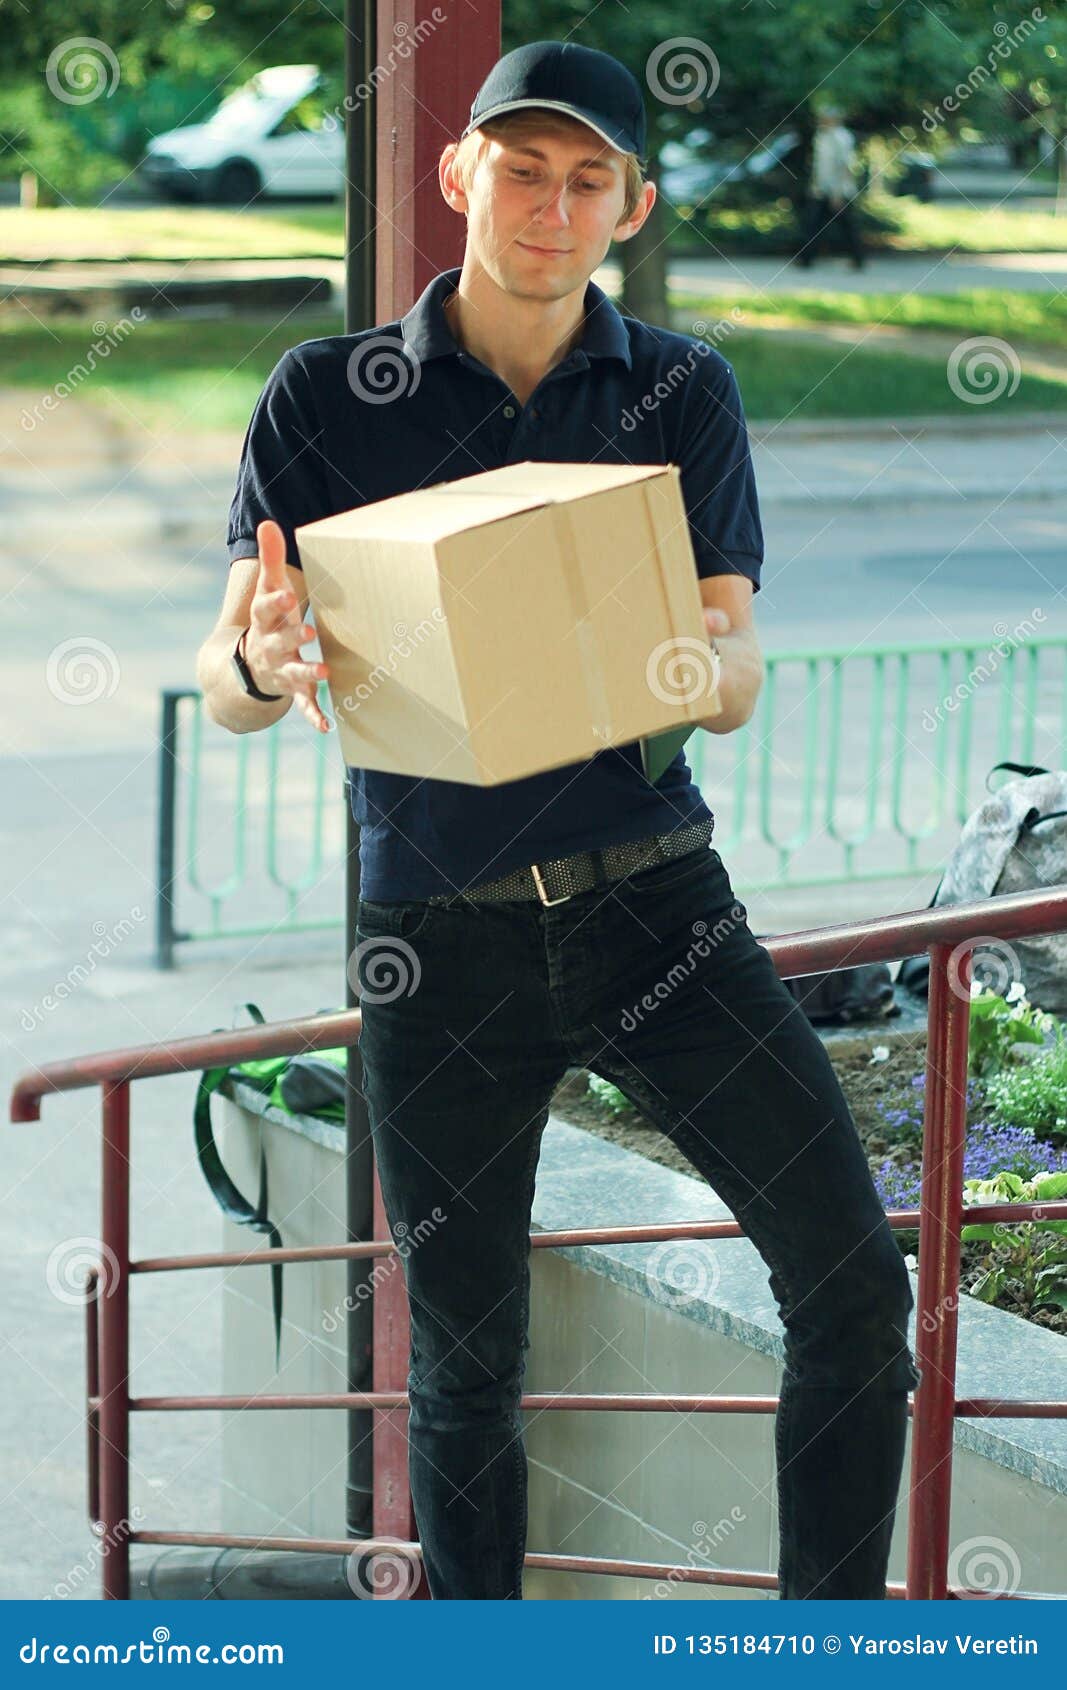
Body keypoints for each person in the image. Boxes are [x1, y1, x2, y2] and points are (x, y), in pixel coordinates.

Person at [196, 40, 919, 1601]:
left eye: (586, 176)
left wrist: (698, 675)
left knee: (854, 1283)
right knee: (461, 1365)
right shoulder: (325, 395)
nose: (549, 201)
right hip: (432, 944)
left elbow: (729, 658)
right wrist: (257, 660)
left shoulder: (679, 388)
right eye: (519, 166)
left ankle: (827, 1641)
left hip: (658, 903)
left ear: (630, 204)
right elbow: (231, 674)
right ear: (457, 174)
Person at [795, 105, 866, 269]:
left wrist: (838, 193)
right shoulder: (821, 137)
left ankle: (858, 259)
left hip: (838, 190)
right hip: (821, 190)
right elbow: (820, 166)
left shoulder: (842, 137)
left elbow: (843, 166)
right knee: (812, 224)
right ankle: (806, 259)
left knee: (847, 226)